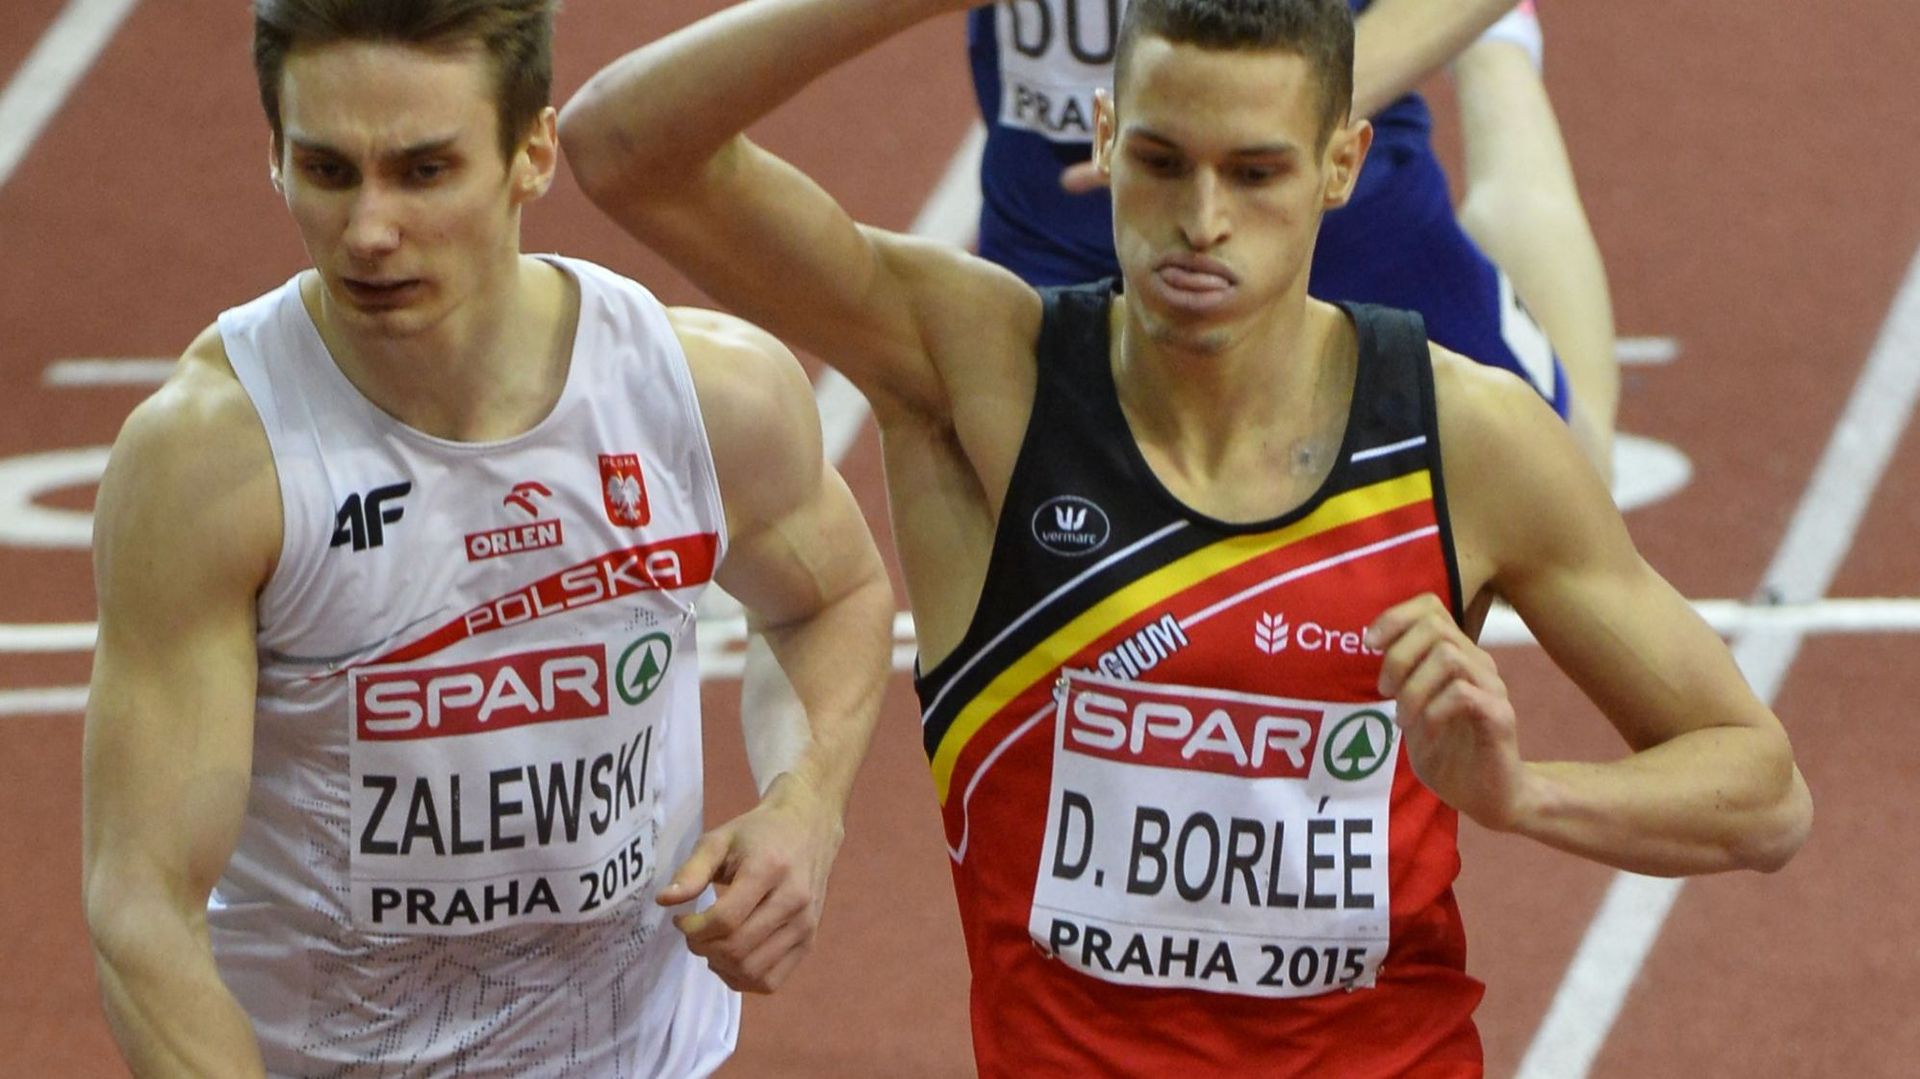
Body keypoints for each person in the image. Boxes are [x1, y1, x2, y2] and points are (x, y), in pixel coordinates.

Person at [560, 0, 1813, 1074]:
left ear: (1340, 163)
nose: (1201, 219)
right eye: (1160, 161)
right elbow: (622, 145)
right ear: (1103, 140)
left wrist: (1526, 795)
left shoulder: (1463, 436)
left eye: (1256, 172)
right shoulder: (980, 376)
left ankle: (1501, 58)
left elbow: (1762, 792)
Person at [79, 1, 894, 1075]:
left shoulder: (699, 396)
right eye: (327, 170)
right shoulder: (214, 460)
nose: (370, 231)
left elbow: (829, 595)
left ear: (533, 153)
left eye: (423, 171)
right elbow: (144, 905)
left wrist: (805, 803)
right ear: (273, 157)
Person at [969, 0, 1620, 472]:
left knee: (1569, 472)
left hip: (1304, 172)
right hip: (1055, 194)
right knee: (1030, 521)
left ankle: (1496, 57)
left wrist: (1289, 117)